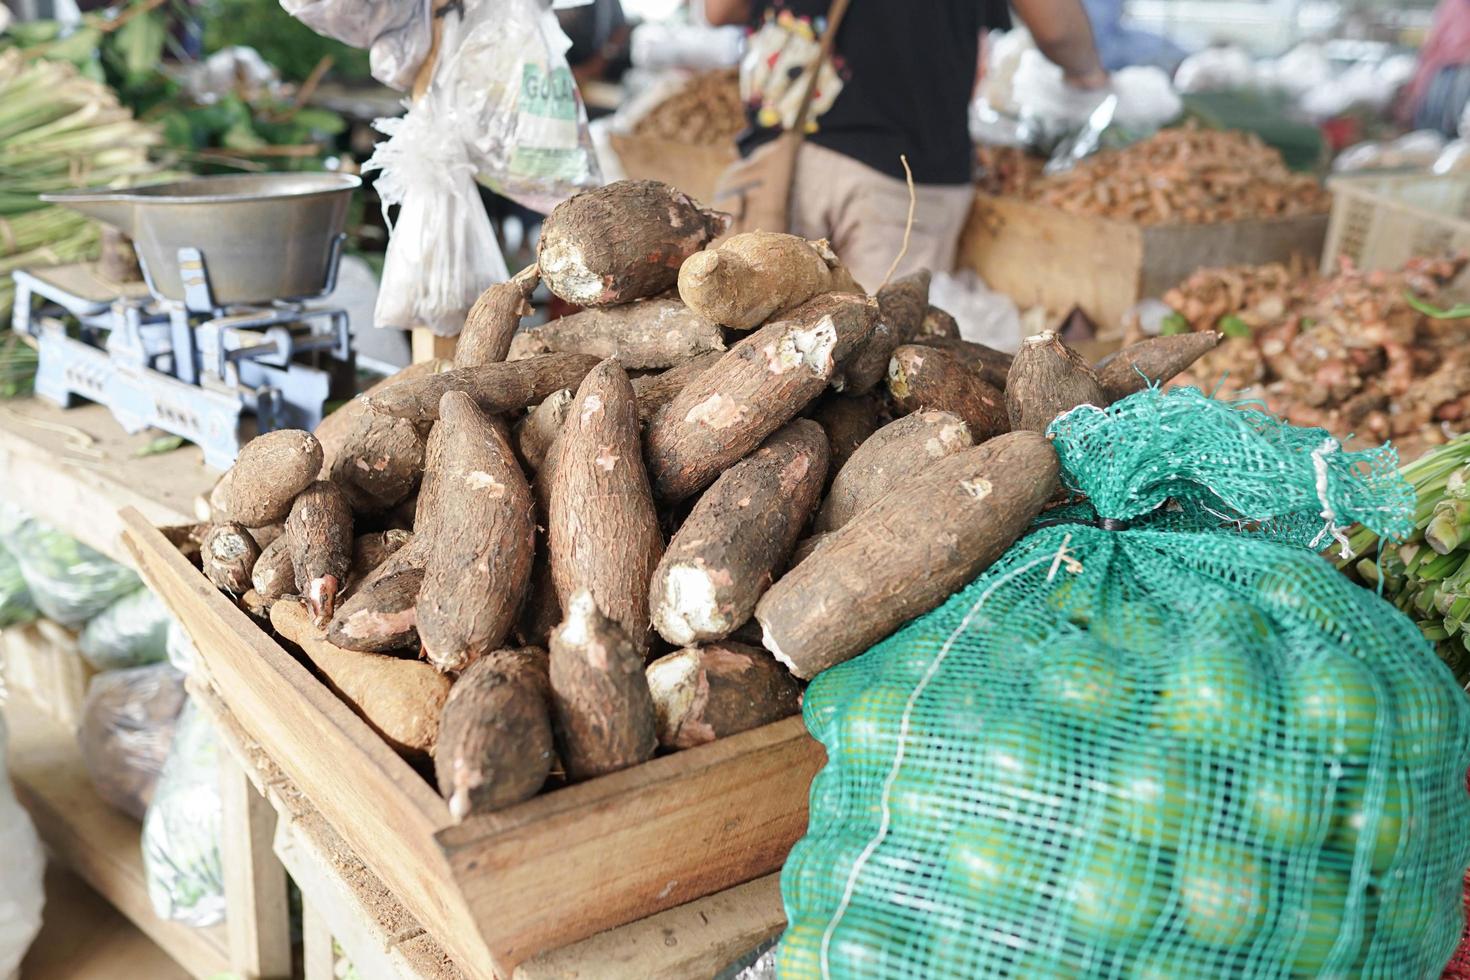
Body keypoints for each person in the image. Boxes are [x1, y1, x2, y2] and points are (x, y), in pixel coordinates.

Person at [705, 0, 1108, 290]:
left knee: (750, 350)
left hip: (783, 149)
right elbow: (1057, 27)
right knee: (875, 374)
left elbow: (721, 10)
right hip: (900, 168)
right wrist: (1088, 74)